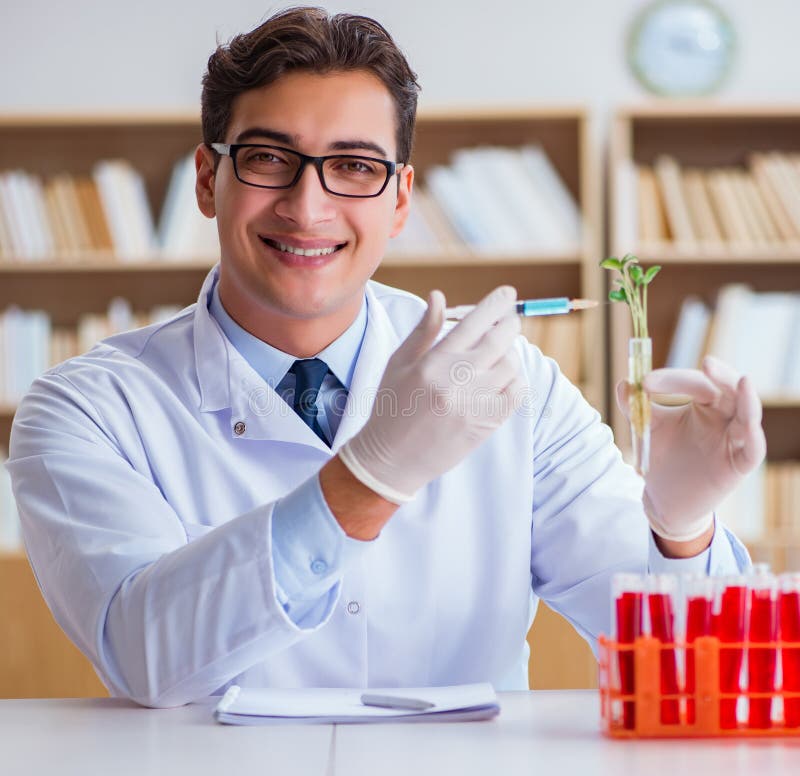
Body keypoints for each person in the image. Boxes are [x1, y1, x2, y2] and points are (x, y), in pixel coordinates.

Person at [7, 7, 765, 708]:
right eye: (269, 158)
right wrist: (370, 477)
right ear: (209, 180)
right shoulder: (86, 409)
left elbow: (689, 661)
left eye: (356, 167)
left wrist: (681, 526)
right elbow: (146, 655)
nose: (308, 207)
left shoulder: (512, 380)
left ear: (401, 200)